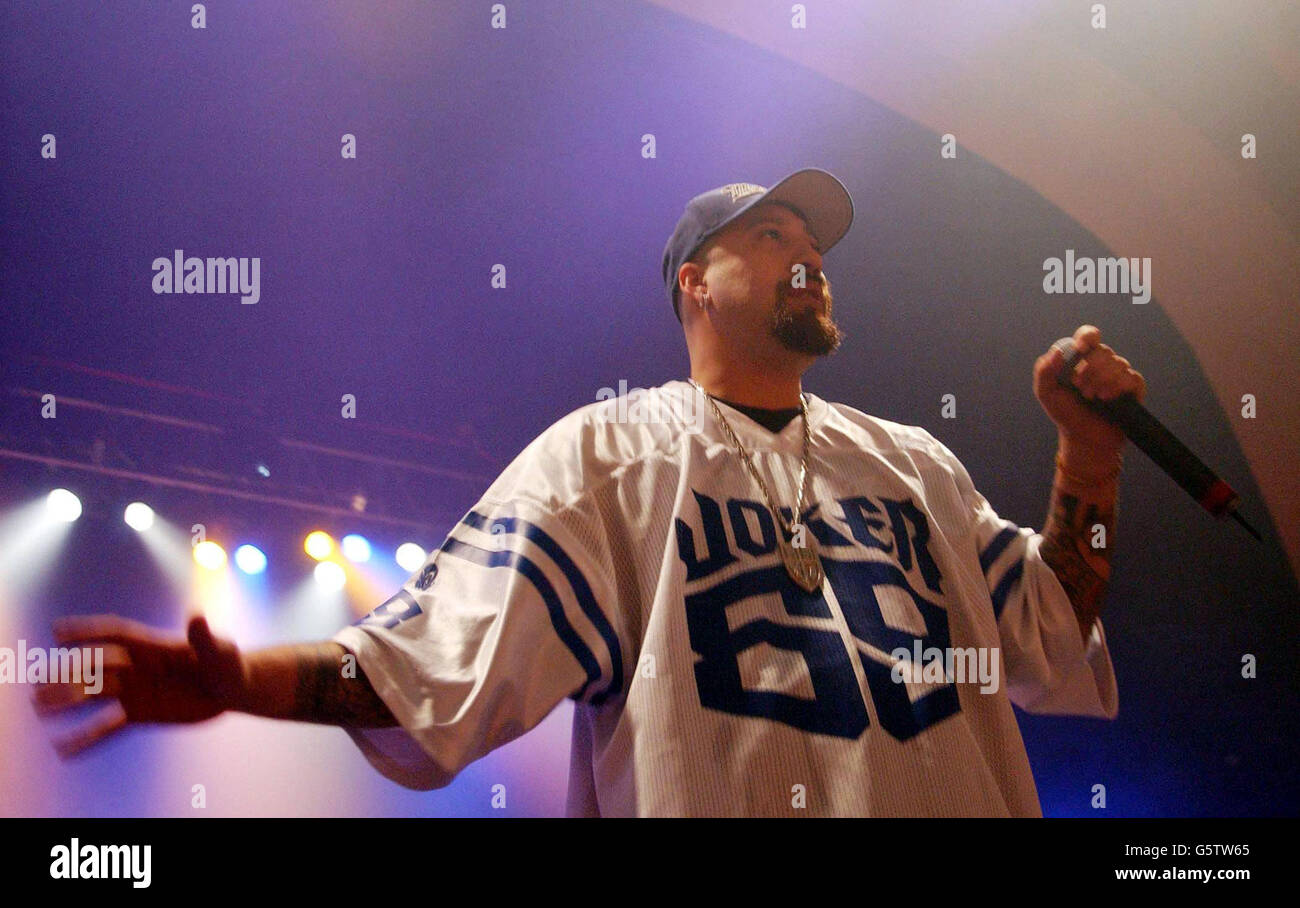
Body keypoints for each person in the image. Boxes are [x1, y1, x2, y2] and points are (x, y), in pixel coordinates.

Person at [36, 168, 1145, 816]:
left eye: (814, 245)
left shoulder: (918, 463)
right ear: (691, 284)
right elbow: (423, 664)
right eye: (771, 237)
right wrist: (247, 679)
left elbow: (1051, 632)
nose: (808, 255)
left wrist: (1087, 459)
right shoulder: (607, 454)